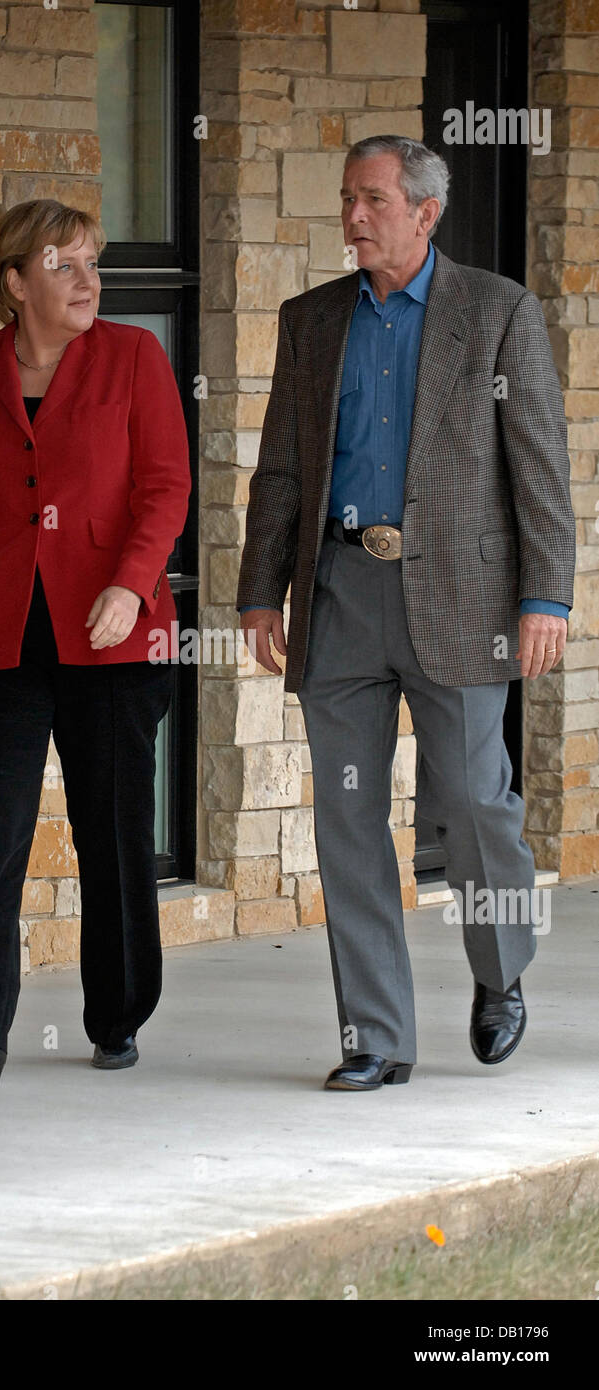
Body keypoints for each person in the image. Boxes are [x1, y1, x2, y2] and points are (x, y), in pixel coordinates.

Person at [237, 135, 575, 1092]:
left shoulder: (498, 311)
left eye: (372, 200)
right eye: (347, 198)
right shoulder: (310, 321)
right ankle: (374, 1037)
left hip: (464, 601)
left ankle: (499, 970)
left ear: (425, 214)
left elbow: (538, 467)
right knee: (347, 816)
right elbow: (283, 470)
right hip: (341, 593)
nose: (353, 217)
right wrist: (262, 591)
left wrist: (545, 596)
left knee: (472, 803)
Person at [0, 199, 191, 1084]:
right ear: (15, 281)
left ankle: (118, 1015)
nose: (87, 280)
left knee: (111, 827)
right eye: (63, 264)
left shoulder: (134, 357)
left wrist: (129, 583)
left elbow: (165, 487)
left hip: (112, 634)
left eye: (92, 263)